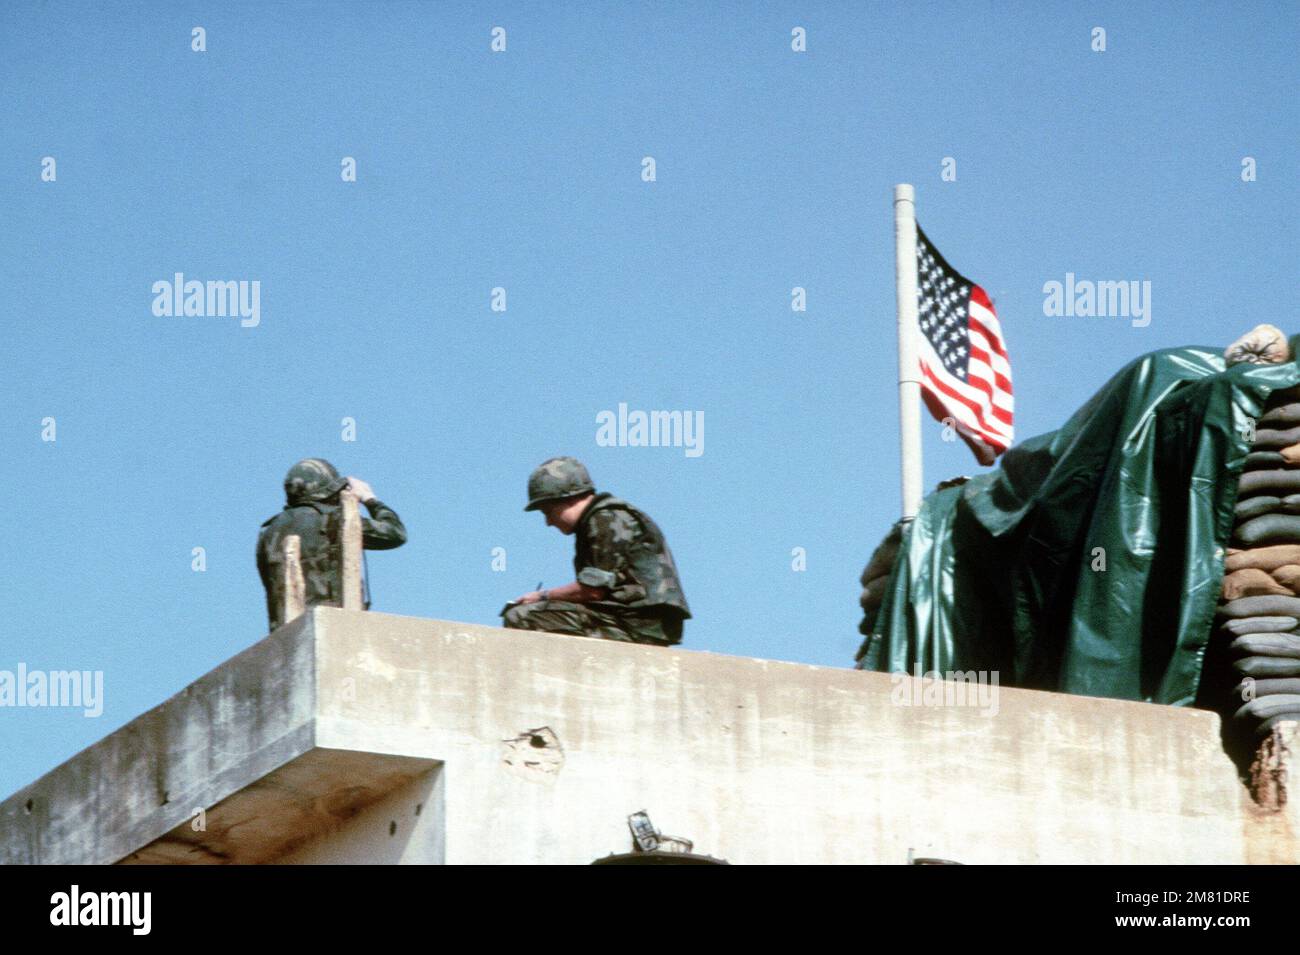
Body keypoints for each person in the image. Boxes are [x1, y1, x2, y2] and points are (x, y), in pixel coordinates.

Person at [504, 456, 690, 646]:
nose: (548, 522)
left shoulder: (605, 518)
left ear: (567, 498)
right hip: (637, 620)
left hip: (636, 623)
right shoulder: (600, 519)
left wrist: (542, 596)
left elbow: (593, 590)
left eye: (548, 512)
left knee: (522, 616)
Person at [257, 458, 407, 630]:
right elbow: (395, 533)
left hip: (285, 634)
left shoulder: (268, 531)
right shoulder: (333, 519)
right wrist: (369, 498)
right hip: (335, 625)